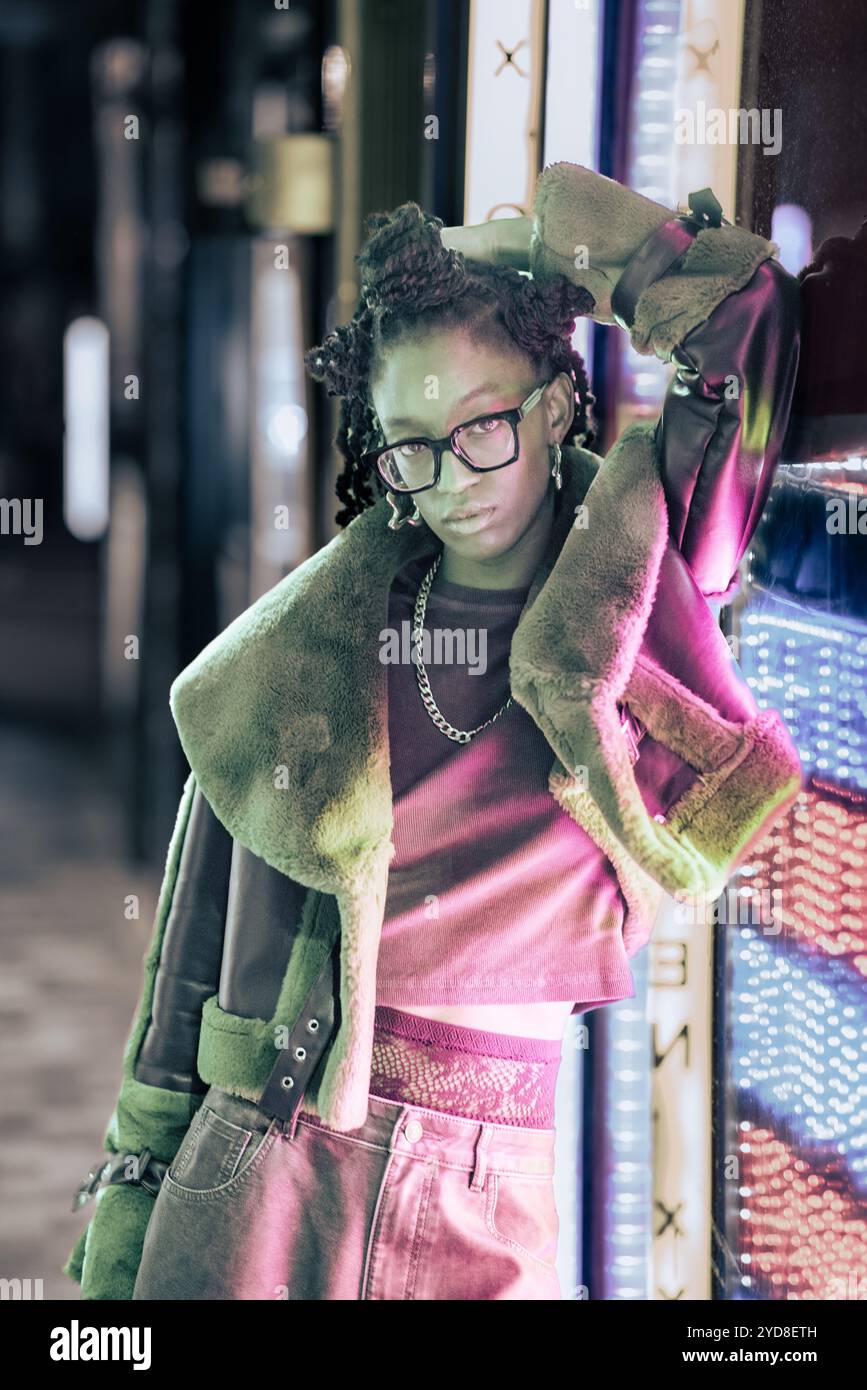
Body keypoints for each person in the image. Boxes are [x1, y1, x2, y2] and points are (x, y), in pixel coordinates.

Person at [64, 165, 803, 1300]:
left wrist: (527, 242)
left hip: (490, 1185)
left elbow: (738, 315)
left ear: (557, 402)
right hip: (268, 1161)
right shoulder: (307, 649)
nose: (452, 478)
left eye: (485, 427)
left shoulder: (640, 590)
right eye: (411, 444)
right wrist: (121, 1233)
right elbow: (187, 969)